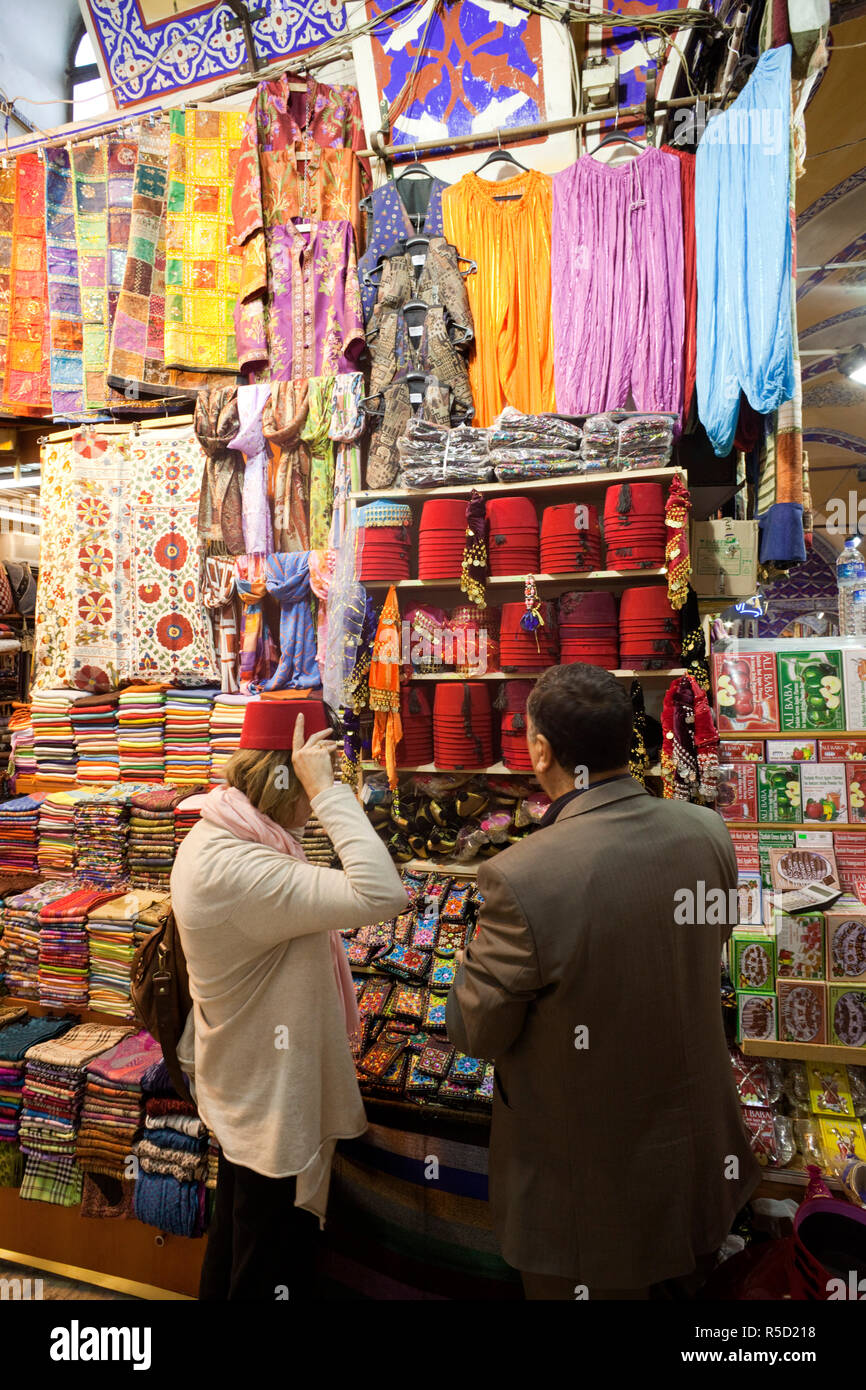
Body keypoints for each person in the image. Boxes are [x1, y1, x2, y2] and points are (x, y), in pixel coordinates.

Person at [446, 662, 759, 1300]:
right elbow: (704, 947)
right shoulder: (706, 833)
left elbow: (475, 1029)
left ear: (540, 749)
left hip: (587, 1188)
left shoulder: (522, 875)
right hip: (697, 1160)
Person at [170, 698, 408, 1301]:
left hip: (248, 1085)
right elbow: (382, 893)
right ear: (287, 775)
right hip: (267, 1100)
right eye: (314, 771)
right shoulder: (242, 867)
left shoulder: (228, 830)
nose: (320, 786)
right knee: (265, 1263)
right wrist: (328, 795)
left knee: (239, 1241)